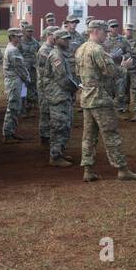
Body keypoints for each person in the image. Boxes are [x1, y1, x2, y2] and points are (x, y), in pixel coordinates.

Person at [76, 20, 136, 182]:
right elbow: (111, 72)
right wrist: (124, 67)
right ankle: (122, 169)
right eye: (105, 32)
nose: (107, 35)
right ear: (96, 31)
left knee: (89, 136)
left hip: (86, 97)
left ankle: (88, 169)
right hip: (100, 98)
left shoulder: (81, 49)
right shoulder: (97, 50)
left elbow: (78, 72)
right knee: (111, 133)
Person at [44, 30, 78, 167]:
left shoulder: (61, 54)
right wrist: (76, 88)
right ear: (56, 40)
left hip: (63, 95)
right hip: (57, 96)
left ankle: (59, 151)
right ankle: (55, 156)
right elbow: (62, 78)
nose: (67, 41)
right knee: (59, 126)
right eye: (64, 39)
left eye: (68, 39)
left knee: (65, 124)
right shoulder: (56, 55)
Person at [1, 26, 29, 142]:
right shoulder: (12, 50)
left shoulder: (12, 48)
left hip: (16, 82)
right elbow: (20, 69)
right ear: (12, 37)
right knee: (12, 108)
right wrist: (27, 79)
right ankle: (7, 134)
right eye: (18, 36)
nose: (21, 38)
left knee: (16, 107)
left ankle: (11, 132)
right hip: (14, 82)